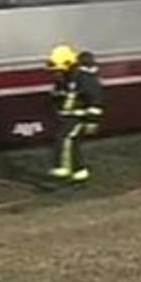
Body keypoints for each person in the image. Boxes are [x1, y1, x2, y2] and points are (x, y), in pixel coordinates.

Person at [46, 45, 104, 182]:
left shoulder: (83, 78)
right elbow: (61, 96)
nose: (56, 73)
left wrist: (92, 121)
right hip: (69, 116)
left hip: (80, 116)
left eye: (58, 70)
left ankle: (64, 168)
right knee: (71, 143)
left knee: (65, 139)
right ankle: (79, 170)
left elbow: (95, 99)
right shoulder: (64, 80)